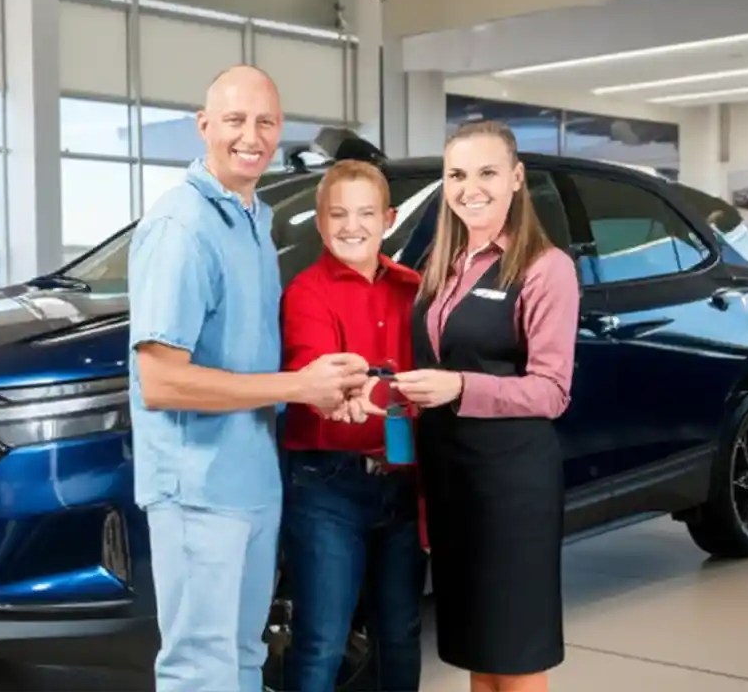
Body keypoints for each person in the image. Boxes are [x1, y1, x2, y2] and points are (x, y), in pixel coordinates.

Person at [127, 65, 370, 692]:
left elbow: (251, 356)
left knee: (242, 659)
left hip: (252, 480)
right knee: (199, 668)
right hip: (198, 489)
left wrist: (326, 390)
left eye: (265, 122)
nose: (250, 136)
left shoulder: (253, 219)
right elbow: (161, 381)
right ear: (203, 127)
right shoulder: (183, 227)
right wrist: (297, 387)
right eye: (234, 120)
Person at [390, 119, 579, 692]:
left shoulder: (547, 269)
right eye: (457, 174)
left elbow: (553, 390)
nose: (471, 188)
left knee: (516, 652)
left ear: (517, 179)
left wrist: (461, 387)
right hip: (453, 482)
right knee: (479, 646)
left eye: (487, 173)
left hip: (512, 486)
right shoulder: (443, 269)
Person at [278, 160, 428, 692]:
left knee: (401, 632)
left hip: (403, 481)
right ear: (320, 222)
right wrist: (348, 391)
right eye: (338, 214)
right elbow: (319, 376)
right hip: (327, 485)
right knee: (322, 636)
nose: (351, 226)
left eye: (366, 213)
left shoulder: (413, 290)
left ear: (388, 219)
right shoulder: (306, 292)